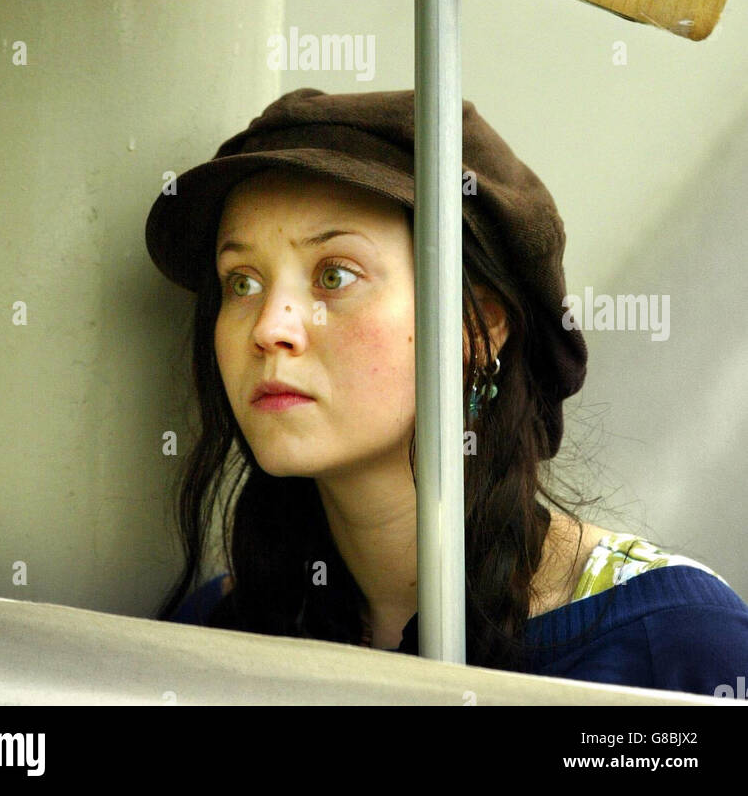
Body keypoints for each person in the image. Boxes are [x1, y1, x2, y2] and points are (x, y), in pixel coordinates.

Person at [145, 87, 748, 696]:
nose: (270, 327)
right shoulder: (215, 636)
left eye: (335, 275)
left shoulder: (674, 648)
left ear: (478, 327)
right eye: (241, 281)